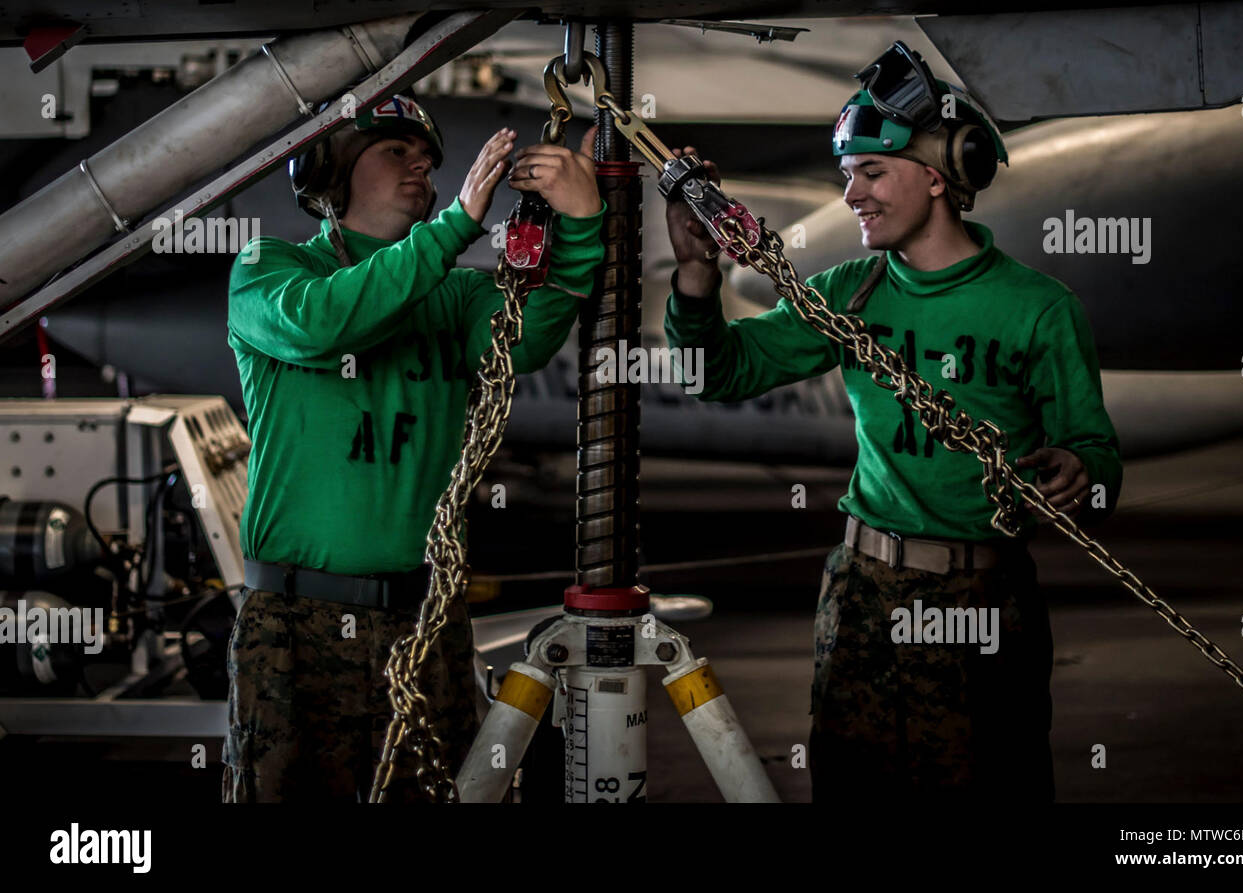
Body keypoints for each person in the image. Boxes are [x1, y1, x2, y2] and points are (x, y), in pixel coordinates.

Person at [662, 44, 1122, 801]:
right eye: (849, 175)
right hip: (863, 592)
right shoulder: (850, 291)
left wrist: (1083, 467)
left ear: (939, 176)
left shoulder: (1039, 309)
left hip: (984, 600)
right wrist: (696, 277)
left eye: (871, 172)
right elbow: (717, 374)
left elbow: (1096, 449)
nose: (853, 195)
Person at [222, 92, 606, 801]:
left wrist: (581, 225)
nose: (421, 166)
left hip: (424, 616)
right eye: (395, 152)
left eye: (427, 159)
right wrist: (456, 225)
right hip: (295, 624)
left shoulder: (453, 297)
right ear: (332, 172)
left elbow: (524, 336)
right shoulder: (267, 270)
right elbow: (321, 325)